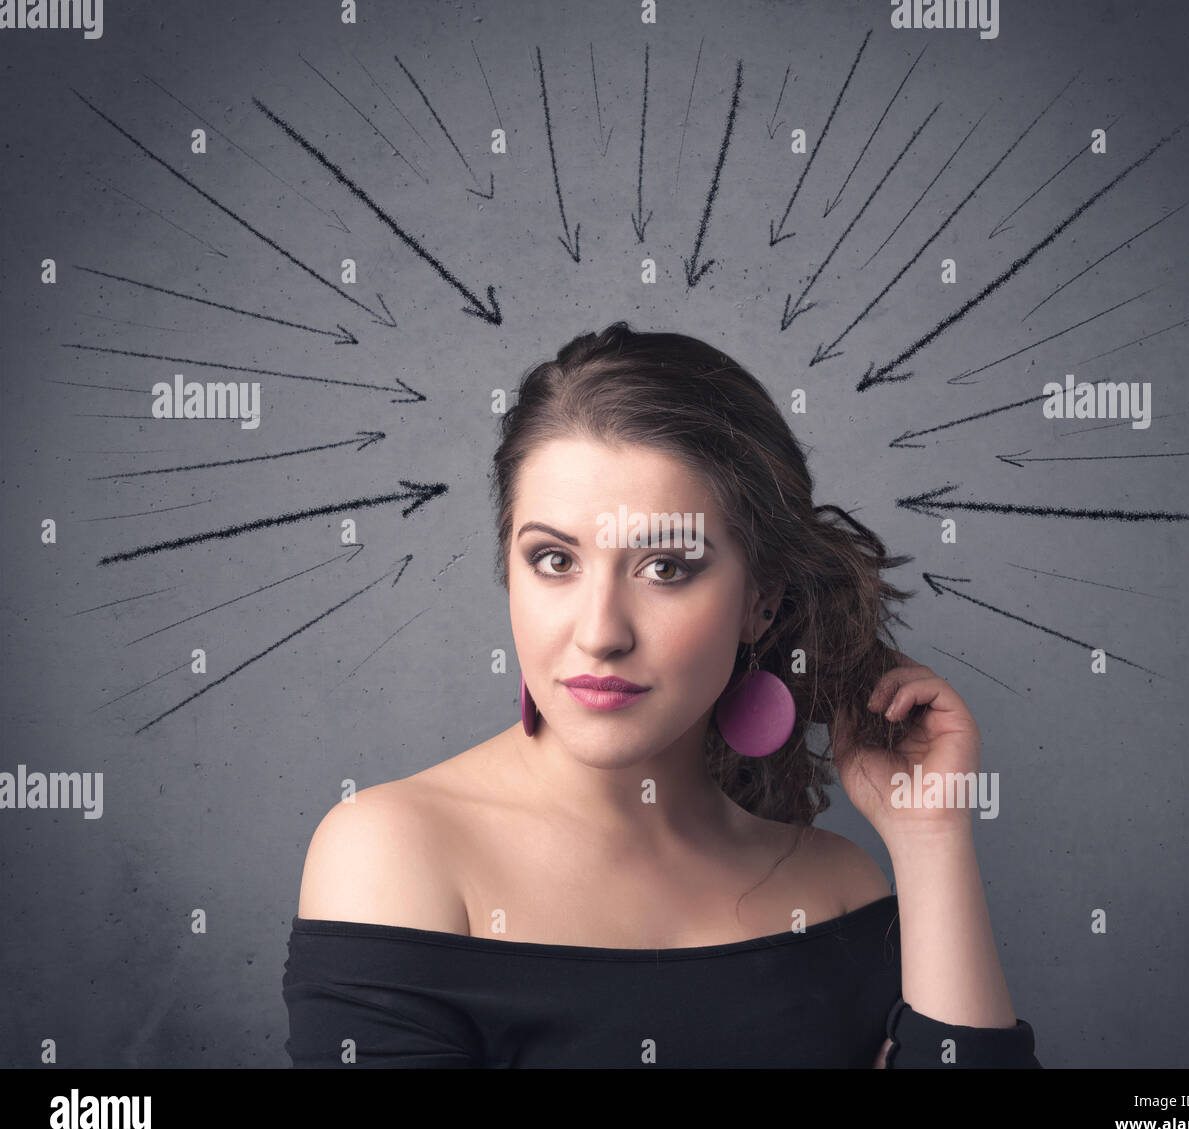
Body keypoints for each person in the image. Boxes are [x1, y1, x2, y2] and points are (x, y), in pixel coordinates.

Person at [282, 321, 1041, 1068]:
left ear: (760, 604)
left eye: (667, 568)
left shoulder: (837, 888)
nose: (601, 632)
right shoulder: (391, 853)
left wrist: (931, 838)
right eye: (554, 560)